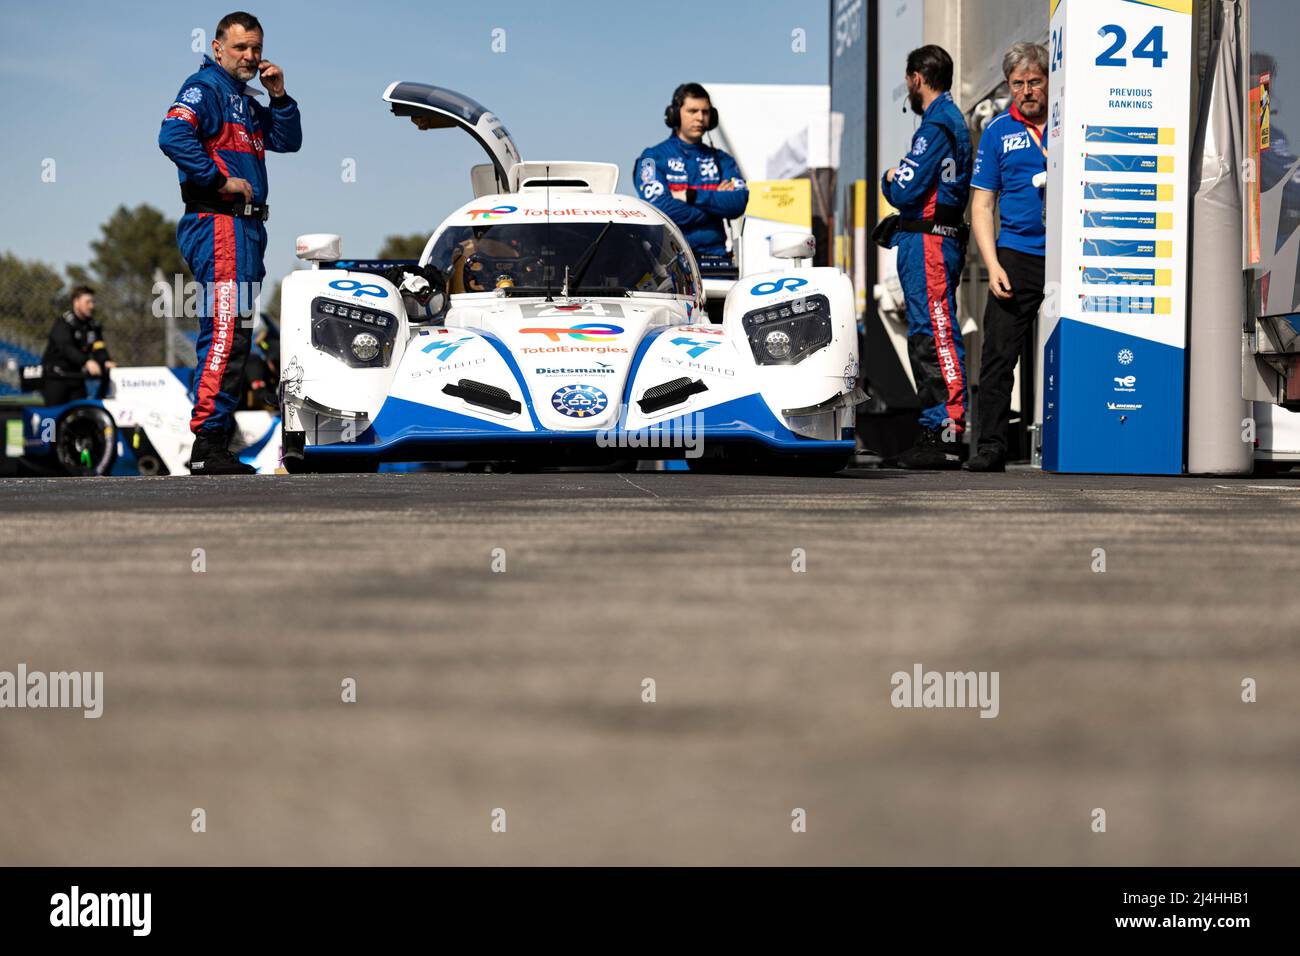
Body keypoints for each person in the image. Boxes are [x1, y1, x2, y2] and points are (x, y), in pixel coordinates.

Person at [158, 10, 301, 475]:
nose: (250, 56)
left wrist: (279, 96)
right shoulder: (205, 89)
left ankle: (214, 444)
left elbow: (288, 140)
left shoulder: (244, 98)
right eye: (240, 47)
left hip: (247, 230)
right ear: (218, 47)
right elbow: (172, 134)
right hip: (220, 224)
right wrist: (218, 179)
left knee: (237, 333)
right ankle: (207, 446)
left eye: (256, 48)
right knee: (225, 330)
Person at [881, 46, 973, 470]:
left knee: (936, 332)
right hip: (928, 241)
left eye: (907, 78)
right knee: (926, 333)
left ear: (916, 77)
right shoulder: (948, 121)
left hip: (931, 244)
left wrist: (889, 177)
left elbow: (901, 189)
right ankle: (935, 431)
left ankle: (948, 432)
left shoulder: (935, 125)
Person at [965, 42, 1050, 473]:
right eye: (1018, 84)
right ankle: (991, 447)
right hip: (1015, 257)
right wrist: (992, 264)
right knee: (998, 356)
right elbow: (982, 205)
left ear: (1049, 80)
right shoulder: (998, 131)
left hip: (1072, 255)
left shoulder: (1073, 120)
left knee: (1072, 351)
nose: (1027, 91)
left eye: (1034, 81)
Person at [635, 83, 748, 260]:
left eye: (705, 112)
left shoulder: (723, 160)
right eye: (692, 111)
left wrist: (690, 196)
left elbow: (738, 202)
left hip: (717, 259)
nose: (700, 118)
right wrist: (715, 205)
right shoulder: (651, 158)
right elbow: (660, 211)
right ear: (674, 114)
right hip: (670, 261)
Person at [40, 286, 115, 406]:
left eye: (92, 302)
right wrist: (86, 362)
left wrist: (105, 360)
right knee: (54, 415)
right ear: (76, 302)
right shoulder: (64, 323)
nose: (91, 306)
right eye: (87, 302)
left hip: (76, 376)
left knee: (81, 413)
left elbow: (98, 347)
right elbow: (66, 348)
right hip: (56, 377)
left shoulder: (92, 326)